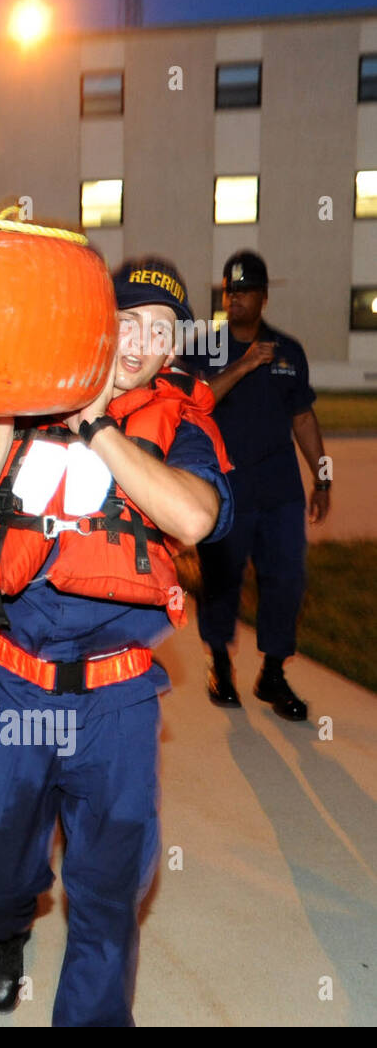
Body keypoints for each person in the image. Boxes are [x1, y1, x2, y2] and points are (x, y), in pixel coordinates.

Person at [0, 258, 233, 1025]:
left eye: (161, 330)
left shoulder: (183, 425)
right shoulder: (25, 407)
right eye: (128, 319)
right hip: (12, 686)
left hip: (117, 698)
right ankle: (2, 930)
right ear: (99, 324)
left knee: (106, 890)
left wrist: (98, 429)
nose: (142, 339)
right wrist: (4, 431)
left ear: (172, 352)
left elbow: (192, 518)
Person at [181, 250, 329, 721]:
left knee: (287, 578)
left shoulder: (288, 351)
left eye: (245, 291)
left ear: (263, 297)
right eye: (230, 290)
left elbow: (303, 417)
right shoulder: (206, 349)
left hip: (280, 490)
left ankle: (273, 672)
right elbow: (196, 404)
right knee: (221, 581)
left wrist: (322, 477)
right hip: (226, 492)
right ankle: (219, 662)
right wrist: (244, 365)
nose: (236, 298)